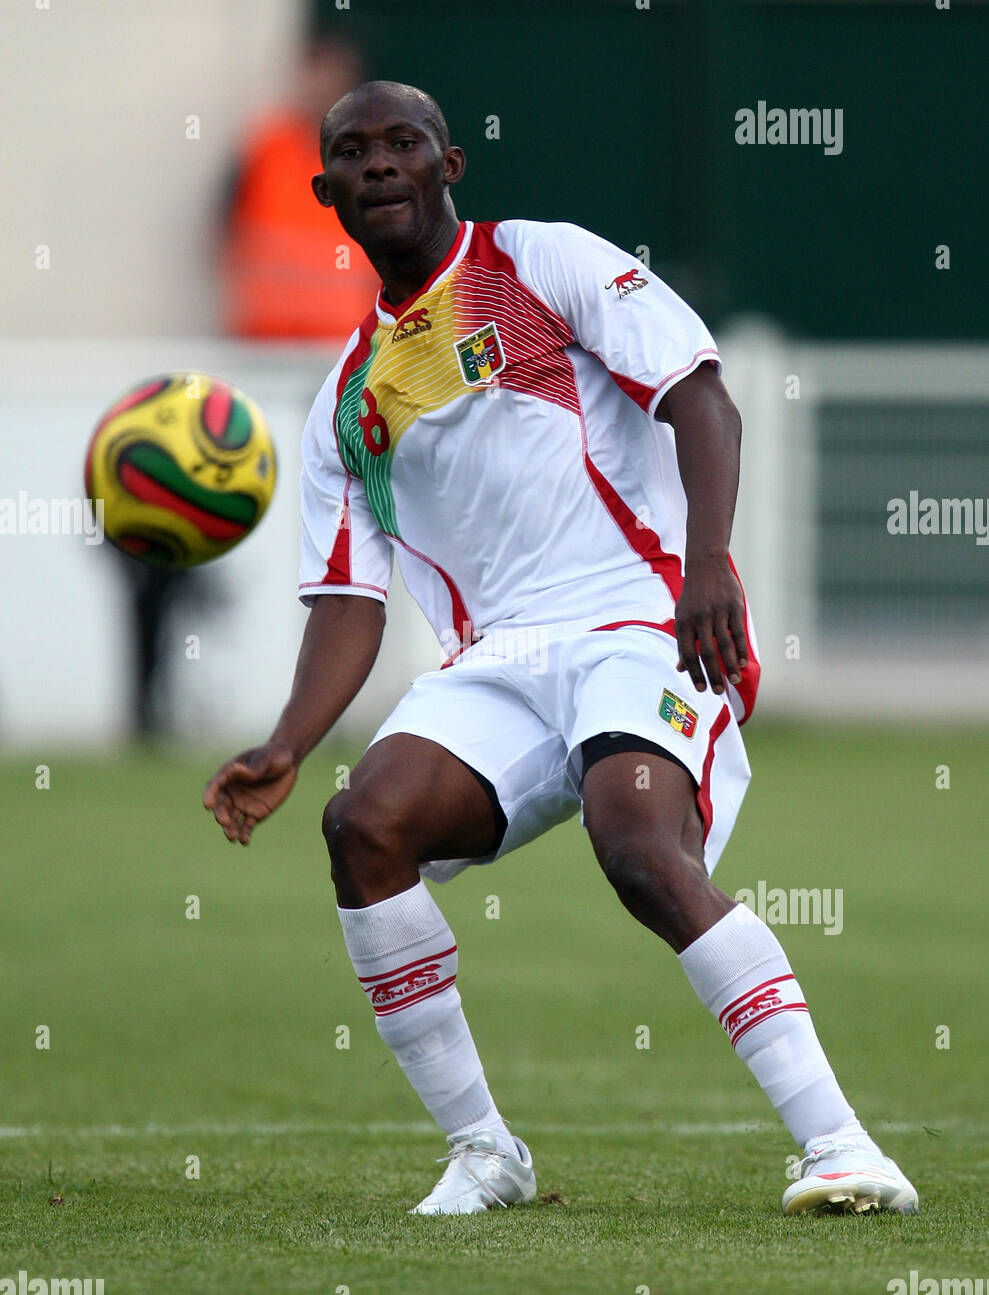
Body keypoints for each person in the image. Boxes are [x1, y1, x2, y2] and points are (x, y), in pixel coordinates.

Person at [204, 81, 918, 1219]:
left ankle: (839, 1145)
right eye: (353, 152)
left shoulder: (542, 263)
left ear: (449, 166)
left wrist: (707, 562)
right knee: (362, 824)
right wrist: (288, 743)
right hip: (494, 664)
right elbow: (348, 599)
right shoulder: (346, 400)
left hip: (641, 618)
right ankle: (485, 1151)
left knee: (633, 838)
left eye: (403, 145)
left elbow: (699, 400)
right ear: (322, 188)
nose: (379, 164)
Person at [219, 35, 379, 339]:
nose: (319, 86)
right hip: (264, 336)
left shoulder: (370, 157)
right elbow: (227, 226)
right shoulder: (265, 148)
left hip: (341, 340)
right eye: (313, 73)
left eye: (331, 75)